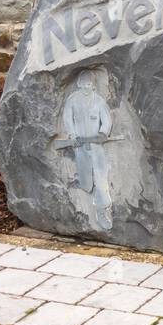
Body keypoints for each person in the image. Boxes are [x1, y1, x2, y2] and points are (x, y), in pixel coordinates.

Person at [60, 70, 114, 230]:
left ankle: (102, 210)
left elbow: (107, 120)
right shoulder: (72, 100)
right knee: (85, 181)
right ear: (79, 84)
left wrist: (103, 133)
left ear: (93, 86)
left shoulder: (99, 101)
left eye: (89, 84)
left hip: (96, 147)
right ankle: (81, 202)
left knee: (100, 178)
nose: (86, 87)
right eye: (83, 84)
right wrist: (72, 134)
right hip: (80, 146)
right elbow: (67, 117)